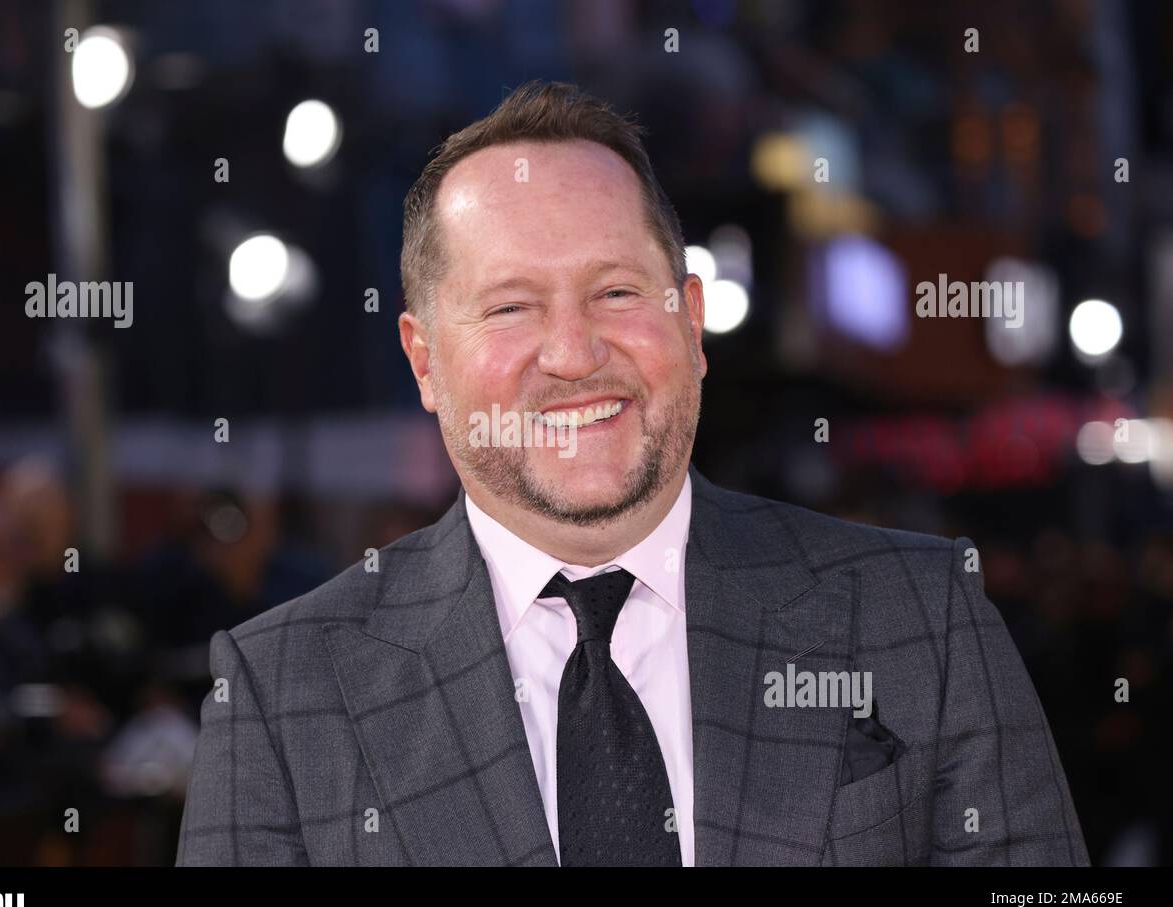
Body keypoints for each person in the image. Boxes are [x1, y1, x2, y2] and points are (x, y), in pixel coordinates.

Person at [176, 80, 1087, 866]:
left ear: (690, 321)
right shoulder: (284, 694)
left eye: (616, 291)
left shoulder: (921, 621)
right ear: (423, 362)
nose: (573, 353)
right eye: (510, 307)